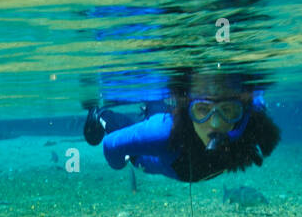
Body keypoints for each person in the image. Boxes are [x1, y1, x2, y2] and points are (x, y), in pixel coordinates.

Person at [83, 69, 281, 183]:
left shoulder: (251, 122)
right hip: (150, 158)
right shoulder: (160, 133)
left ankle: (153, 106)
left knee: (155, 108)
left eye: (228, 110)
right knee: (142, 125)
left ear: (243, 112)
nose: (215, 123)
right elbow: (111, 145)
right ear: (188, 111)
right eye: (202, 110)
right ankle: (98, 113)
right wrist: (121, 163)